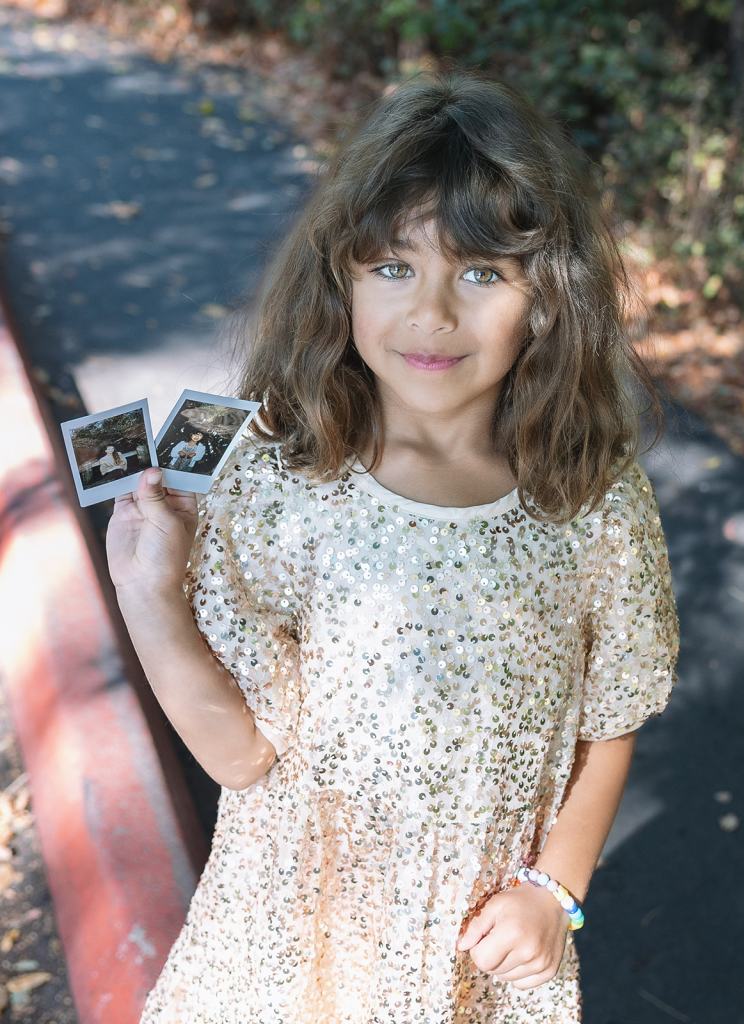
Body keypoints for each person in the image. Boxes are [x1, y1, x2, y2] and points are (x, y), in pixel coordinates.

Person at [107, 66, 681, 1024]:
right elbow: (241, 757)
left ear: (548, 295)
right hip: (291, 947)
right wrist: (148, 595)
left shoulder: (593, 497)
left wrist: (556, 890)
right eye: (392, 267)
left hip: (472, 955)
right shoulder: (277, 479)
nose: (432, 314)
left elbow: (610, 718)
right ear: (339, 278)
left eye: (481, 273)